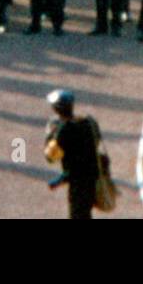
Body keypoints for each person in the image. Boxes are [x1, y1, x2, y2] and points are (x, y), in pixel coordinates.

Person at [43, 88, 103, 220]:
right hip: (93, 176)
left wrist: (50, 136)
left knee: (78, 214)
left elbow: (51, 157)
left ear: (56, 109)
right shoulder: (87, 122)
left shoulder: (63, 130)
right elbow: (97, 140)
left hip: (77, 181)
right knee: (84, 213)